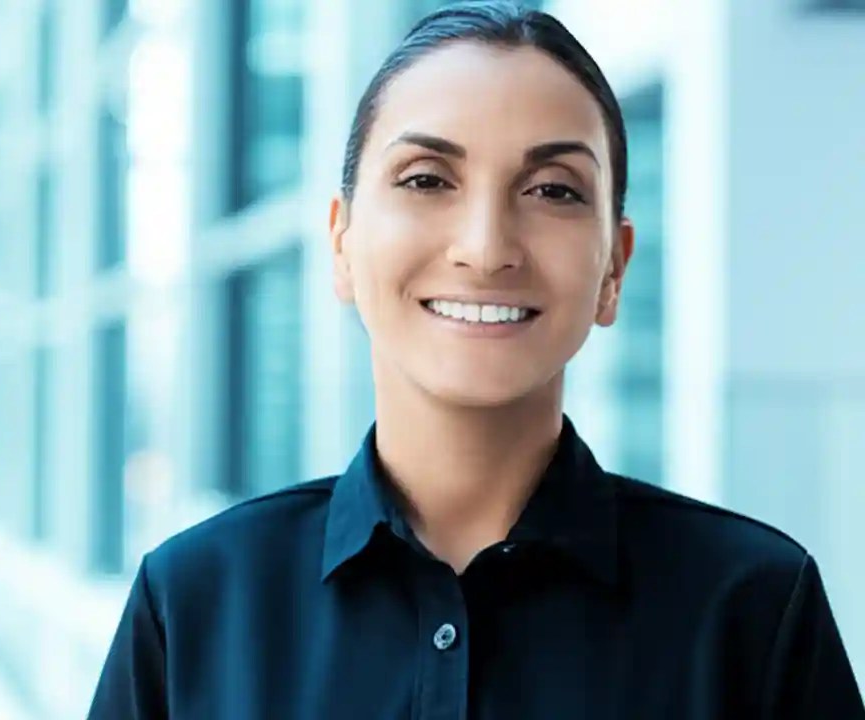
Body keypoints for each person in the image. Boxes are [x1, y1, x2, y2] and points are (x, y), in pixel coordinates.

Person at [86, 2, 865, 718]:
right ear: (342, 243)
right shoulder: (193, 604)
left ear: (614, 269)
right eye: (427, 180)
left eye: (554, 191)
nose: (486, 248)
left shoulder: (753, 612)